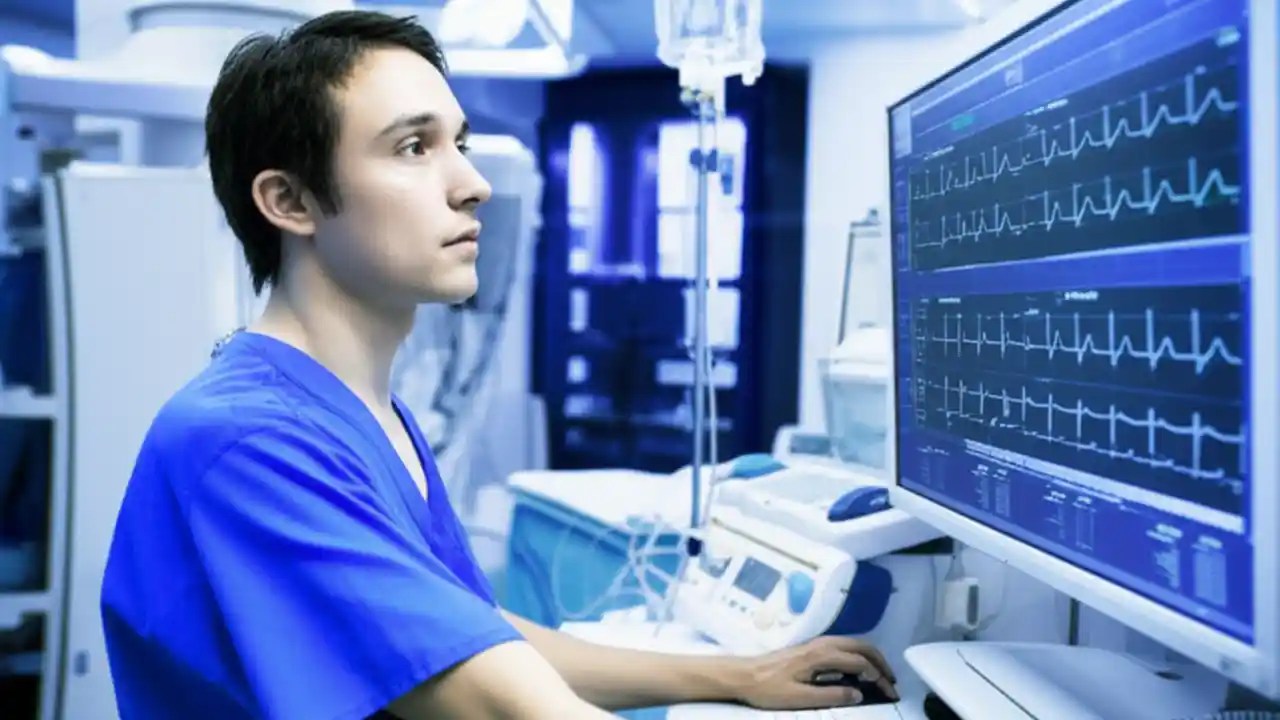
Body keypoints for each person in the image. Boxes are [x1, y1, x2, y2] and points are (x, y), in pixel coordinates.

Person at [99, 10, 899, 720]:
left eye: (461, 144)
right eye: (414, 147)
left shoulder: (369, 413)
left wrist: (736, 676)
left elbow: (470, 635)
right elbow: (495, 697)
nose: (474, 185)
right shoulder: (247, 443)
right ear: (291, 202)